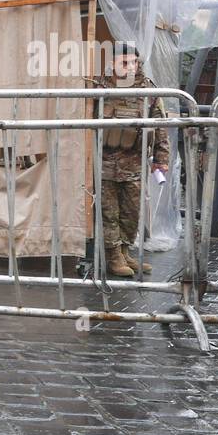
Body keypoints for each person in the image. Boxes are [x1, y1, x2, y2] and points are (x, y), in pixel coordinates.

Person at [94, 43, 170, 278]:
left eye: (133, 62)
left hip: (135, 163)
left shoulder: (148, 91)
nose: (129, 67)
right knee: (109, 213)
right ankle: (113, 256)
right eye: (123, 63)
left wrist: (161, 158)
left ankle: (125, 251)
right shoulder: (100, 87)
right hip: (105, 163)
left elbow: (160, 126)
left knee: (132, 211)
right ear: (113, 64)